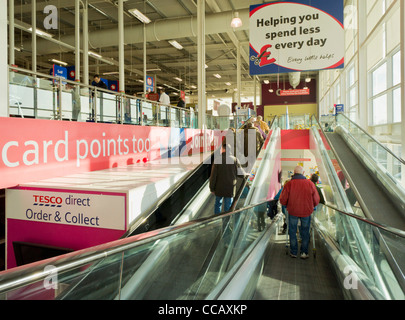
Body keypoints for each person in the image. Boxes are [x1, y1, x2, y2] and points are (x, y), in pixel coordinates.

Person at [280, 166, 320, 259]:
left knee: (292, 231)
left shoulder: (289, 184)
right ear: (303, 172)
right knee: (305, 232)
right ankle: (304, 253)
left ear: (294, 173)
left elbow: (283, 199)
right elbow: (316, 199)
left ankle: (294, 252)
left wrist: (286, 205)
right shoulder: (310, 184)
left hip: (293, 211)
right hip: (306, 212)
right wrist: (312, 205)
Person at [210, 143, 246, 215]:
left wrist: (212, 188)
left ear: (223, 149)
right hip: (230, 188)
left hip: (219, 188)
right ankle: (225, 224)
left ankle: (215, 221)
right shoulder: (235, 160)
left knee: (218, 205)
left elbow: (213, 176)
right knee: (228, 208)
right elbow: (242, 174)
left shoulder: (217, 160)